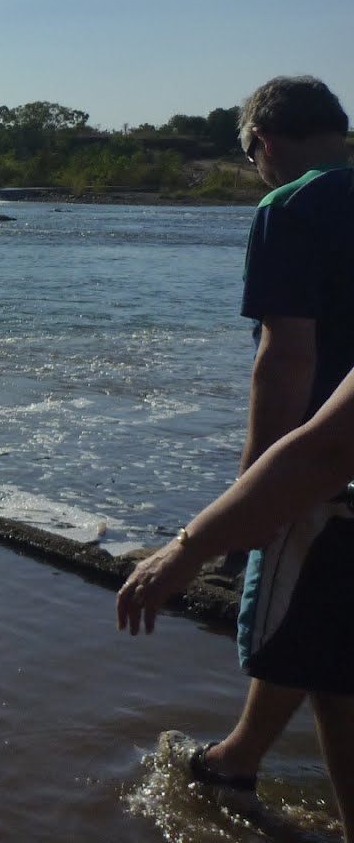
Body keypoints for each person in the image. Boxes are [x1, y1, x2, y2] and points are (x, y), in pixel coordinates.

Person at [152, 76, 354, 804]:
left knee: (333, 668)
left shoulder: (290, 205)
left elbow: (287, 358)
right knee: (308, 621)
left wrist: (250, 497)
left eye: (250, 157)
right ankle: (238, 756)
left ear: (264, 142)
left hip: (323, 470)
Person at [118, 365, 354, 839]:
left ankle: (232, 762)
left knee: (330, 668)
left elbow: (323, 442)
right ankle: (235, 759)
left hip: (314, 500)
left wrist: (193, 544)